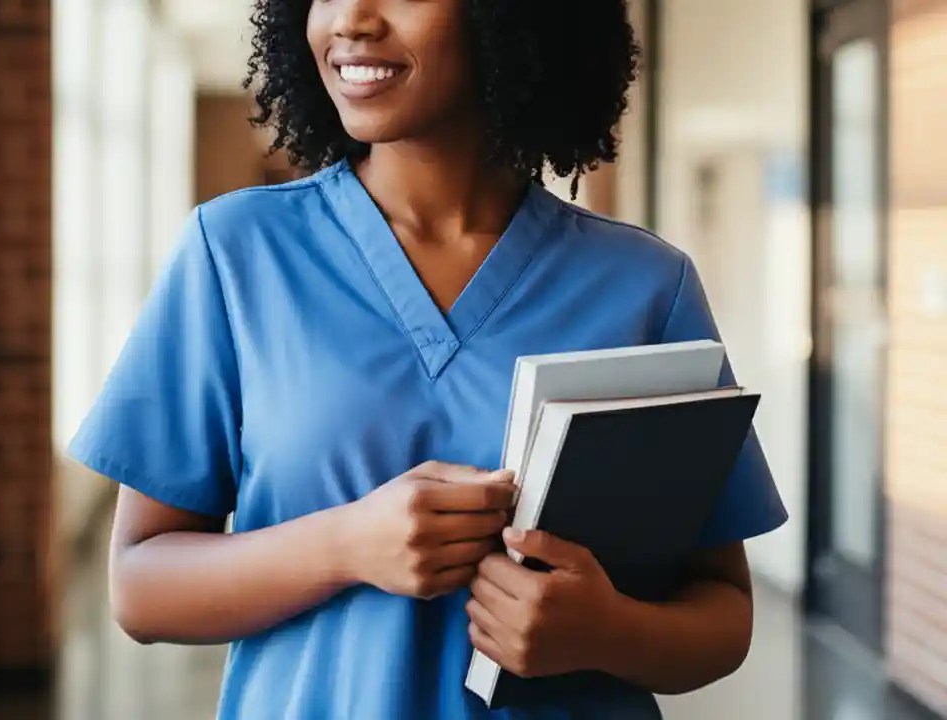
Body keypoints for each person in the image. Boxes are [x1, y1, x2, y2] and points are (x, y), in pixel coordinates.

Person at [67, 1, 788, 718]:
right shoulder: (236, 253)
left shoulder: (644, 287)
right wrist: (343, 546)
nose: (351, 19)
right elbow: (140, 588)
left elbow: (723, 612)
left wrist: (608, 631)